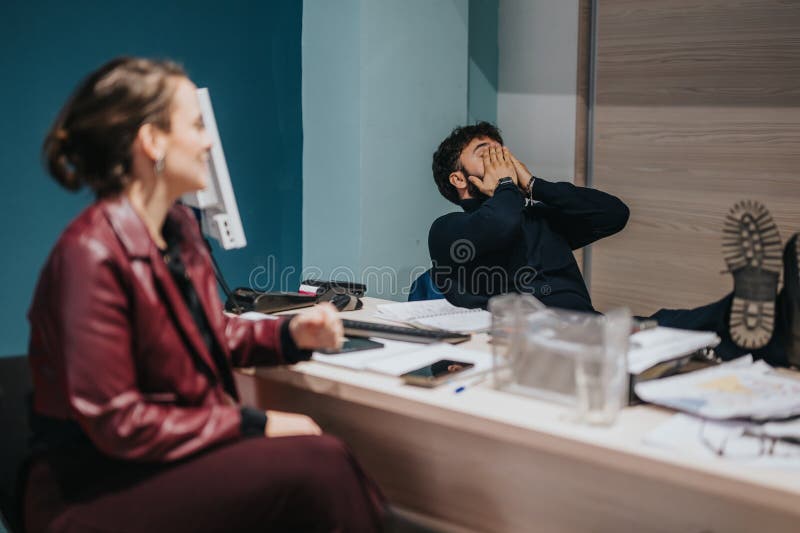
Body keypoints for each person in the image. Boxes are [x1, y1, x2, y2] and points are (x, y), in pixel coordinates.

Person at [23, 57, 386, 532]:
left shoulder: (177, 231)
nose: (208, 140)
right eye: (195, 126)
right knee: (320, 466)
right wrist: (253, 425)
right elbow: (120, 422)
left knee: (324, 465)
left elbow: (207, 334)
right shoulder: (89, 255)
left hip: (161, 461)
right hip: (92, 489)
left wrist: (293, 333)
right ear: (151, 141)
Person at [429, 122, 799, 367]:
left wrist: (534, 185)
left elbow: (612, 214)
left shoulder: (537, 217)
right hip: (530, 347)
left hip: (594, 331)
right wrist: (507, 188)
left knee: (689, 325)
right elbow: (498, 224)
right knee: (685, 336)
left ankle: (785, 317)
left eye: (502, 150)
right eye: (485, 152)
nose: (501, 159)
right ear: (458, 177)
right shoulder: (449, 229)